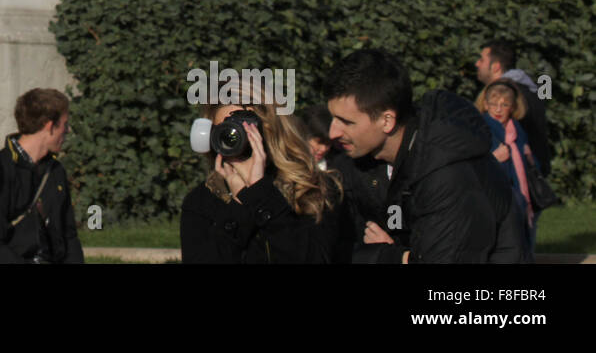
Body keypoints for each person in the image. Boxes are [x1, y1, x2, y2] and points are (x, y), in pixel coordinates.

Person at [326, 48, 528, 263]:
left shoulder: (449, 174)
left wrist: (389, 257)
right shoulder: (359, 161)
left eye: (346, 121)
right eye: (333, 118)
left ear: (386, 121)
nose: (332, 132)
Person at [181, 100, 348, 263]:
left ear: (272, 133)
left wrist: (260, 194)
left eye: (249, 129)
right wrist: (239, 206)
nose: (238, 138)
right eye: (227, 130)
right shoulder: (201, 202)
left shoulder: (313, 190)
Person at [0, 88, 84, 263]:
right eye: (65, 124)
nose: (67, 131)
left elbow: (69, 237)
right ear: (49, 126)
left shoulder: (56, 171)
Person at [477, 78, 541, 248]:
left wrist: (529, 158)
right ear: (485, 104)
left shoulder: (517, 130)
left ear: (513, 107)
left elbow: (532, 168)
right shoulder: (480, 127)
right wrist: (494, 158)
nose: (498, 109)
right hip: (496, 197)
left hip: (522, 197)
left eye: (504, 105)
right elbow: (471, 164)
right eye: (494, 104)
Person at [476, 43, 551, 176]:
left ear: (496, 67)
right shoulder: (529, 91)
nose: (477, 64)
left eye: (482, 60)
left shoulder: (514, 96)